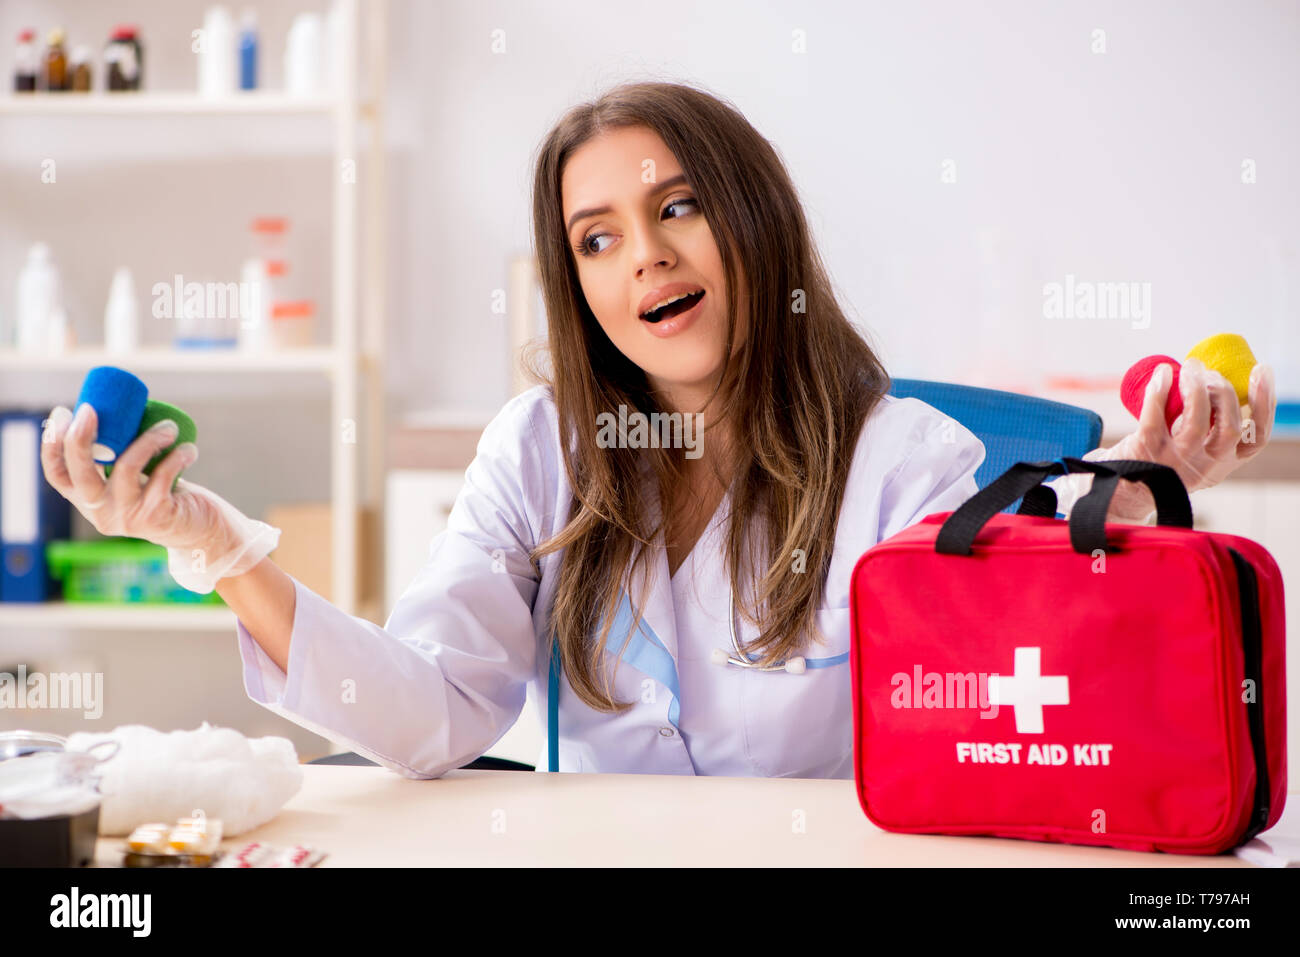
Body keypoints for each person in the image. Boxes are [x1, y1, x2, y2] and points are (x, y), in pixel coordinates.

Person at [40, 81, 1276, 779]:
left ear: (757, 227)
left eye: (679, 208)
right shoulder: (539, 452)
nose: (647, 258)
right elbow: (427, 717)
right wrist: (217, 551)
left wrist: (1140, 482)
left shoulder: (906, 463)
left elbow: (1037, 682)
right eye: (597, 238)